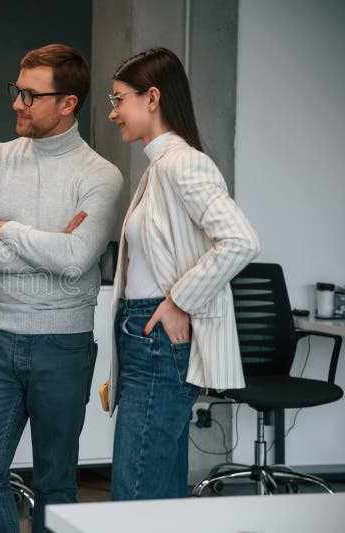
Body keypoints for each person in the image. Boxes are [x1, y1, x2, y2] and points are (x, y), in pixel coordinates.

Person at [0, 44, 123, 532]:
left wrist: (2, 228)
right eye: (16, 90)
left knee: (56, 483)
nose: (16, 103)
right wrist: (48, 246)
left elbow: (77, 259)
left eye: (30, 94)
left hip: (63, 346)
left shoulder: (100, 176)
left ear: (68, 102)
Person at [105, 47, 260, 500]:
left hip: (155, 337)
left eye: (119, 100)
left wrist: (179, 301)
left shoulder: (182, 164)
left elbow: (241, 239)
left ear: (151, 97)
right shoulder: (158, 168)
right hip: (144, 335)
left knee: (134, 494)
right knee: (159, 494)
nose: (113, 113)